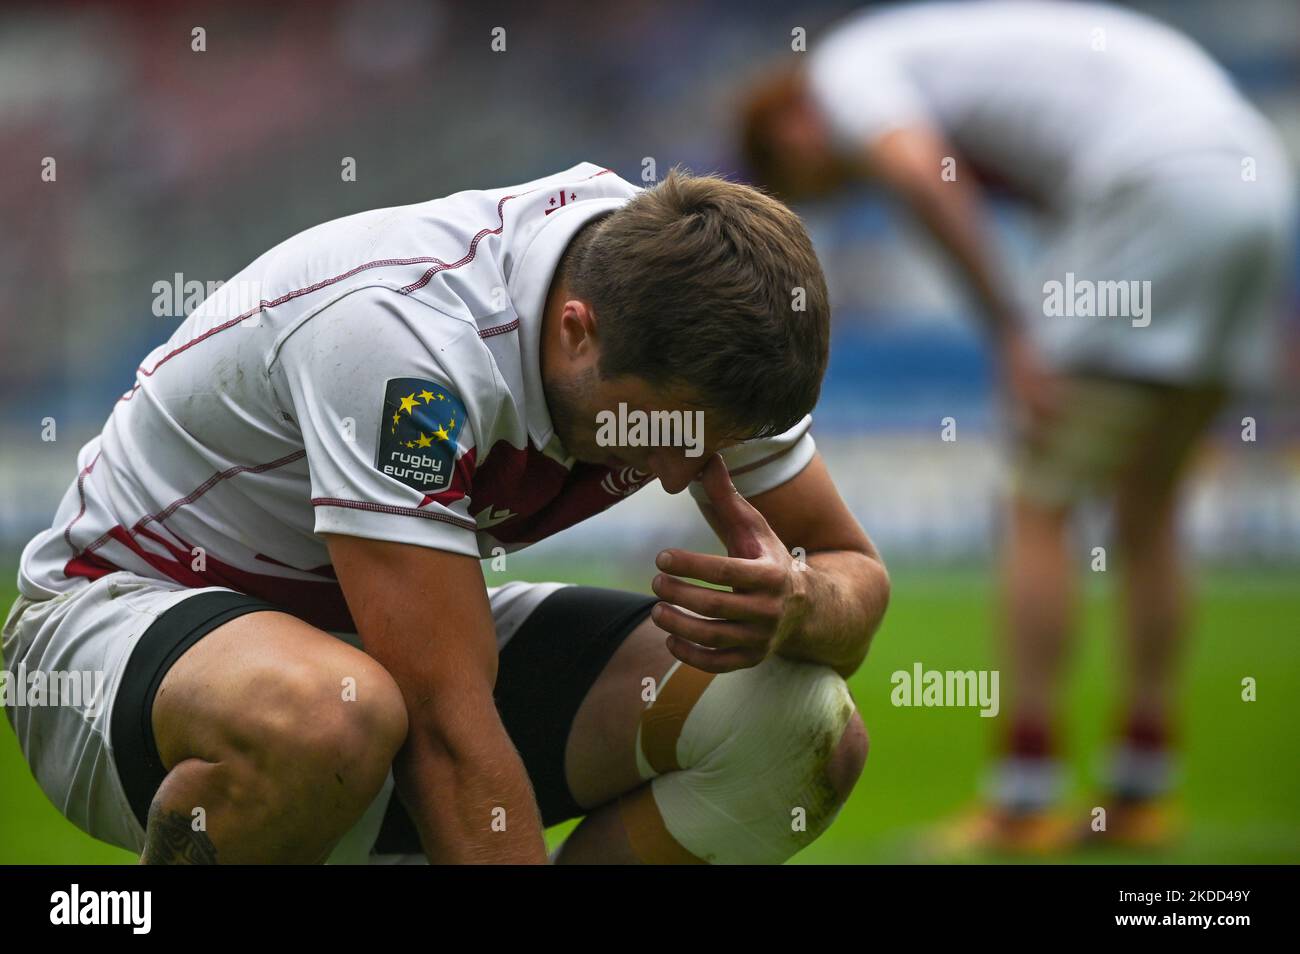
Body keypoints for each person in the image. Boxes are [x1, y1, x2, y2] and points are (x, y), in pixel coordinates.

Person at [4, 163, 889, 864]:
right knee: (329, 717)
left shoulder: (705, 316)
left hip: (373, 639)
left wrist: (802, 606)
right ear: (576, 331)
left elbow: (854, 575)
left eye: (710, 445)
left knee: (800, 724)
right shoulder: (404, 339)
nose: (675, 477)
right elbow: (445, 724)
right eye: (655, 434)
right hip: (111, 624)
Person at [740, 0, 1294, 852]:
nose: (828, 189)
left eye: (798, 176)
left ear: (789, 119)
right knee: (1152, 506)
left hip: (1158, 185)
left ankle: (1024, 796)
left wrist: (1009, 329)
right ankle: (1144, 789)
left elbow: (922, 175)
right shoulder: (932, 46)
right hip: (1255, 182)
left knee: (1041, 501)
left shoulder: (846, 70)